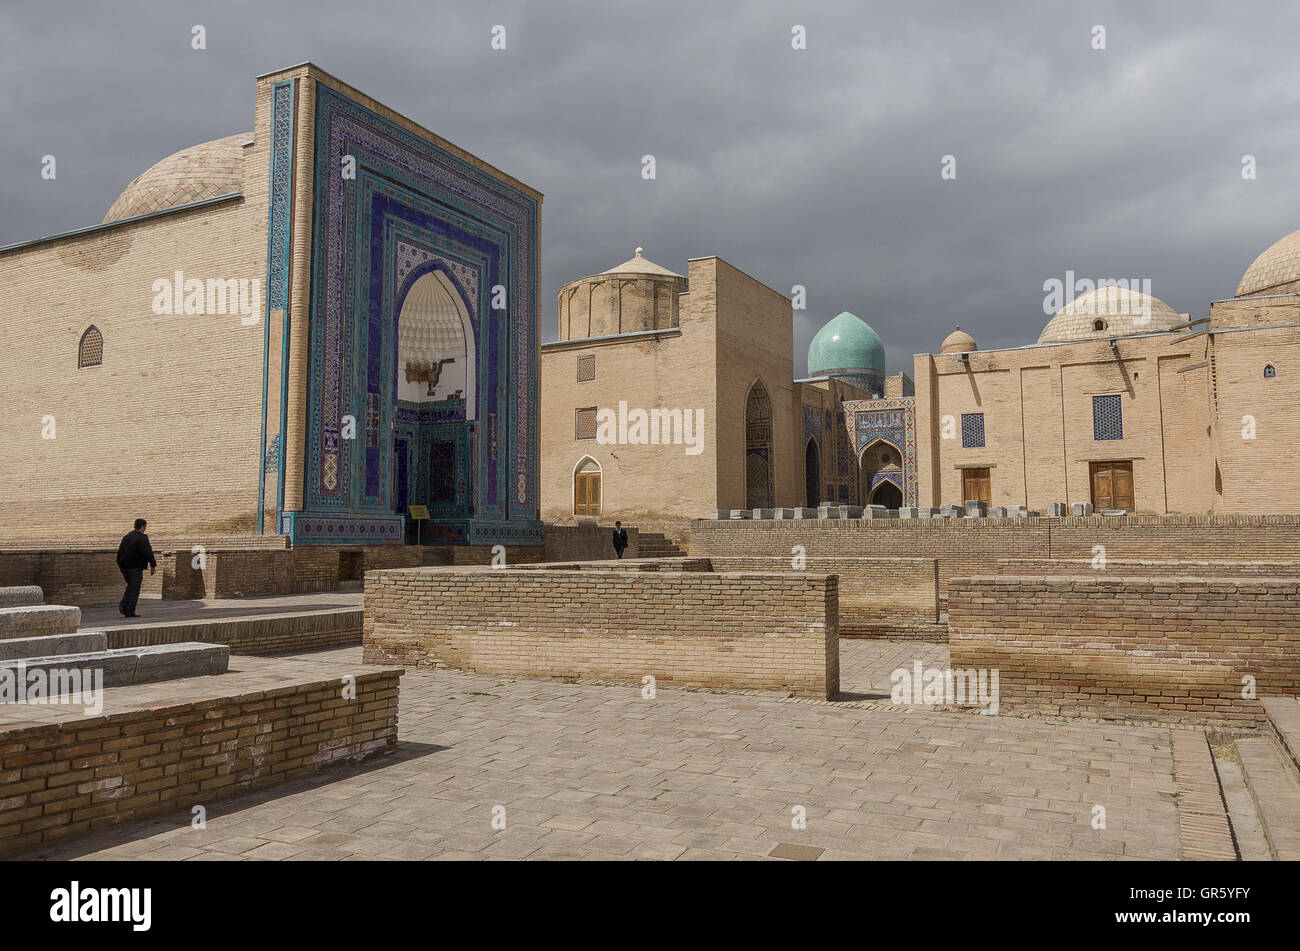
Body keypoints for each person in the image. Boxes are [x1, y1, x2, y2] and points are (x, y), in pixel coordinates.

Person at [116, 518, 157, 618]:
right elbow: (147, 552)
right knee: (134, 588)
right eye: (145, 527)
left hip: (124, 567)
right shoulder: (142, 538)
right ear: (142, 526)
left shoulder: (127, 537)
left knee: (131, 587)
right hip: (135, 567)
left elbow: (120, 552)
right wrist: (153, 564)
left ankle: (124, 606)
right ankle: (129, 610)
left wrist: (120, 564)